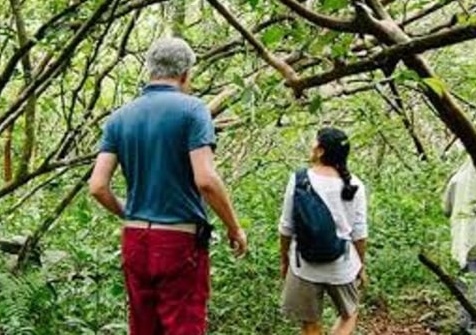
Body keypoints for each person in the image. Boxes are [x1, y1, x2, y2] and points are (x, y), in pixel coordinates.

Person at [88, 36, 248, 335]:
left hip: (134, 240)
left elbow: (97, 186)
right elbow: (206, 180)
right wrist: (234, 227)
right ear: (186, 73)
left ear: (150, 69)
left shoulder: (118, 118)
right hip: (178, 242)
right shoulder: (193, 111)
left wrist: (129, 212)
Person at [278, 127, 368, 335]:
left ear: (320, 151)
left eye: (314, 142)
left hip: (304, 265)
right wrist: (361, 264)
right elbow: (359, 233)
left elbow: (286, 227)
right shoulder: (355, 184)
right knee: (350, 314)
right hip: (342, 265)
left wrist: (284, 259)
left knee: (310, 323)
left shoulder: (299, 179)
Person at [442, 158, 476, 334]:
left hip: (462, 242)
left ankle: (463, 324)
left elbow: (446, 209)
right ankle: (473, 327)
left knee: (464, 284)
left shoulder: (457, 179)